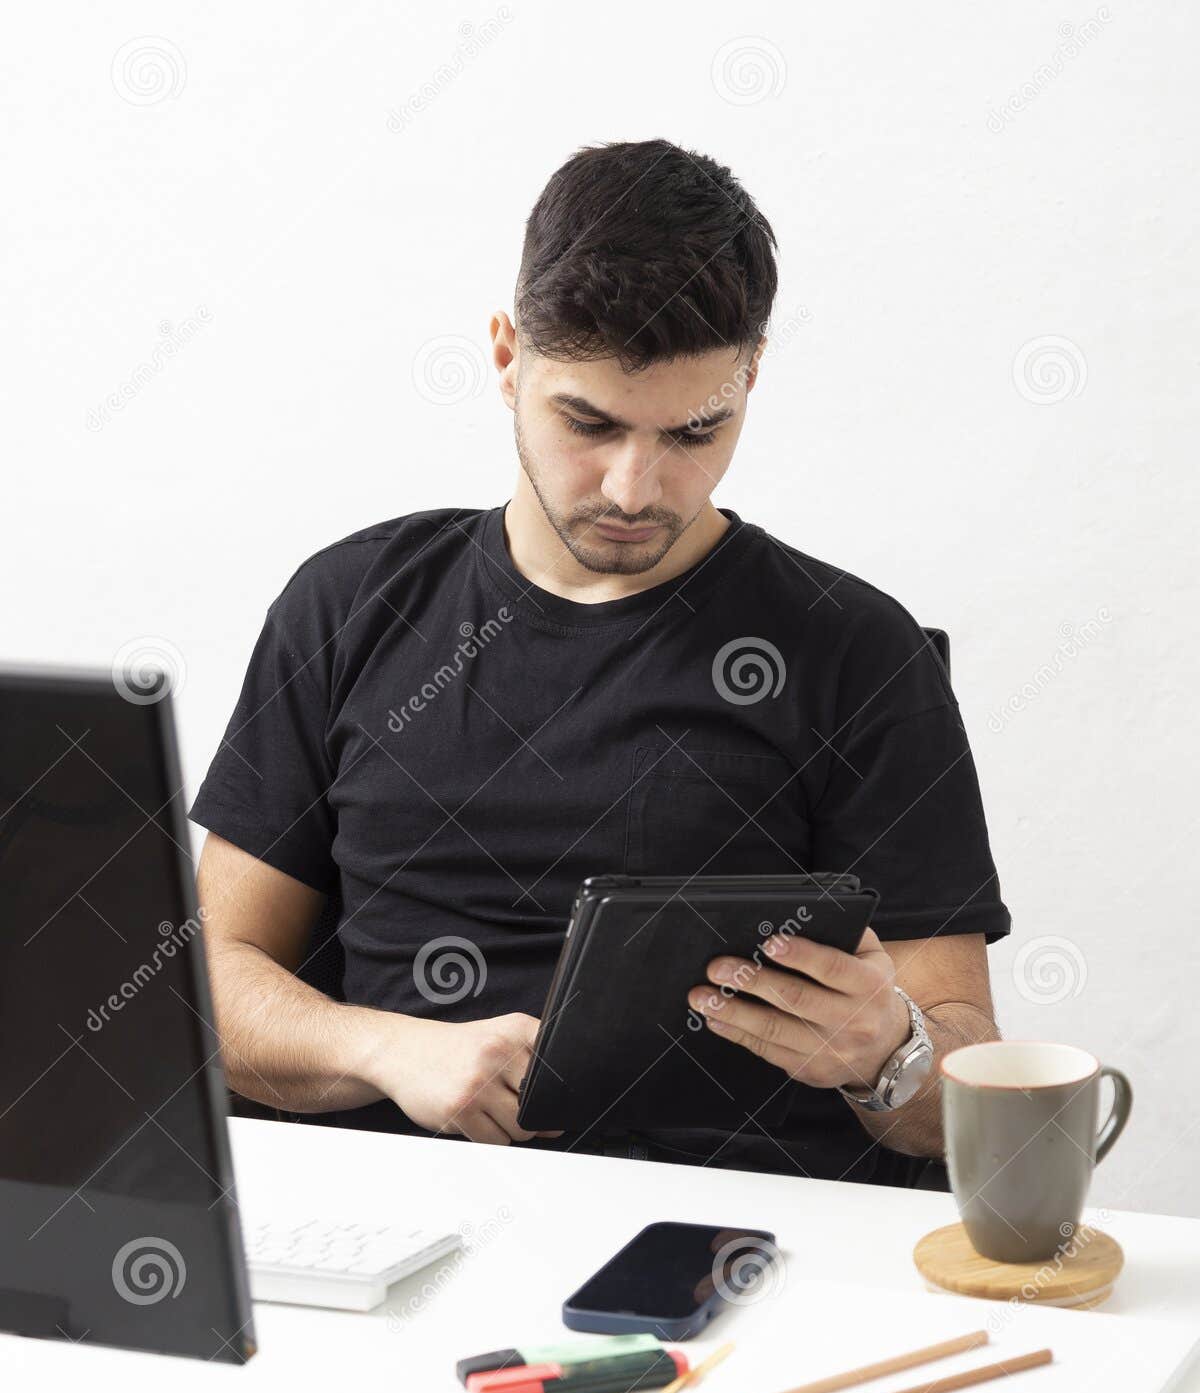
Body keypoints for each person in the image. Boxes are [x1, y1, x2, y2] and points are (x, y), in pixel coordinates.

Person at [191, 137, 1011, 1189]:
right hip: (404, 1208)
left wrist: (887, 1053)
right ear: (507, 359)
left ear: (752, 376)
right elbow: (207, 985)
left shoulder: (855, 652)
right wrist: (384, 1048)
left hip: (733, 1223)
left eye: (695, 431)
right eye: (589, 422)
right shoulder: (349, 606)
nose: (634, 487)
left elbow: (962, 1085)